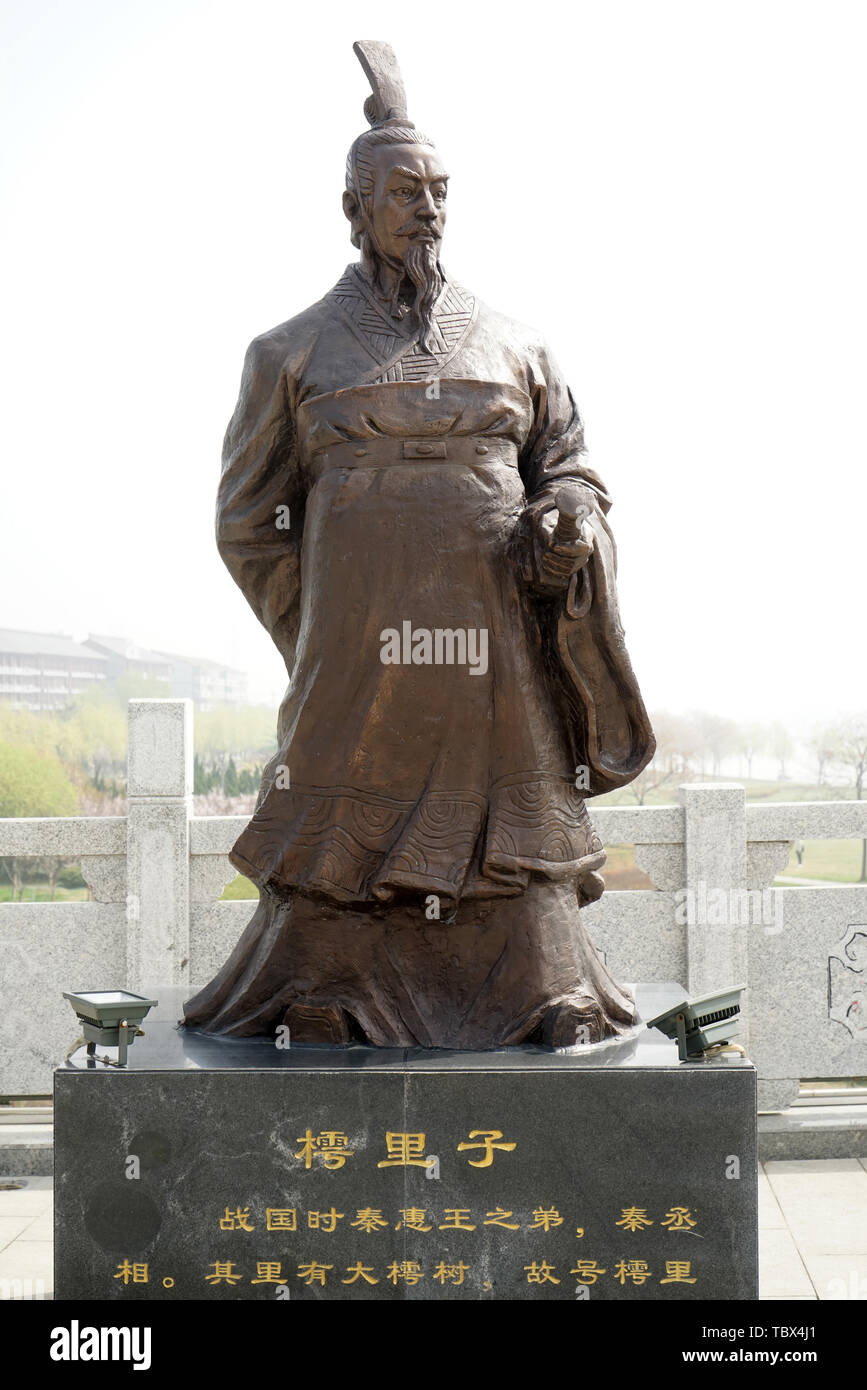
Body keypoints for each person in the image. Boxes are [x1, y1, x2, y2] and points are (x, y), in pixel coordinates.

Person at [183, 41, 655, 1049]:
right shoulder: (290, 352)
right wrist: (326, 621)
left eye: (441, 190)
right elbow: (246, 518)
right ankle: (330, 994)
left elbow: (570, 464)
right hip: (359, 660)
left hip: (497, 652)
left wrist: (564, 520)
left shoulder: (516, 345)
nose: (429, 208)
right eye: (406, 191)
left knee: (513, 835)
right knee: (342, 824)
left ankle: (544, 994)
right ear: (355, 206)